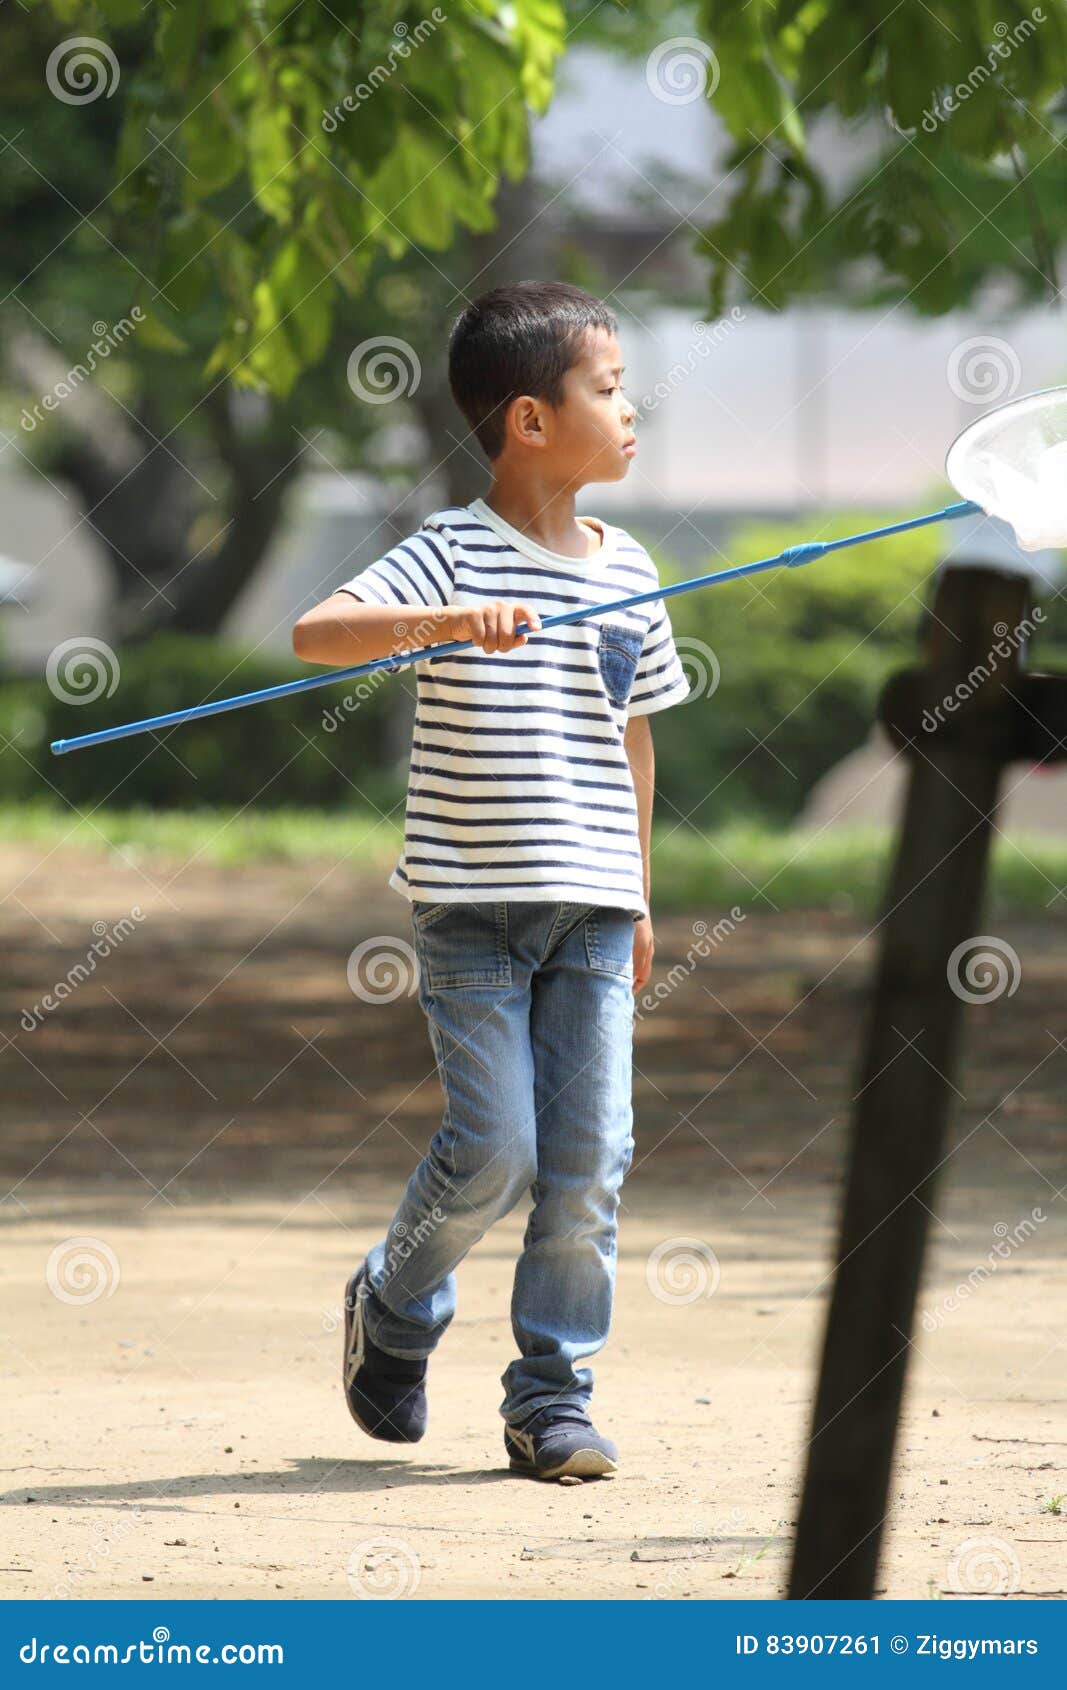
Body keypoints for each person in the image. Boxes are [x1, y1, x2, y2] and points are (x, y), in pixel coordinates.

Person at [291, 280, 692, 1482]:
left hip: (594, 913)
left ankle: (550, 1400)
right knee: (497, 1151)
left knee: (589, 1161)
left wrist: (640, 893)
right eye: (607, 389)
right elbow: (318, 634)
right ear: (528, 419)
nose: (630, 410)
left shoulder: (631, 569)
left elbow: (634, 740)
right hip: (471, 913)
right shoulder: (447, 552)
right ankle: (393, 1304)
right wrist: (447, 621)